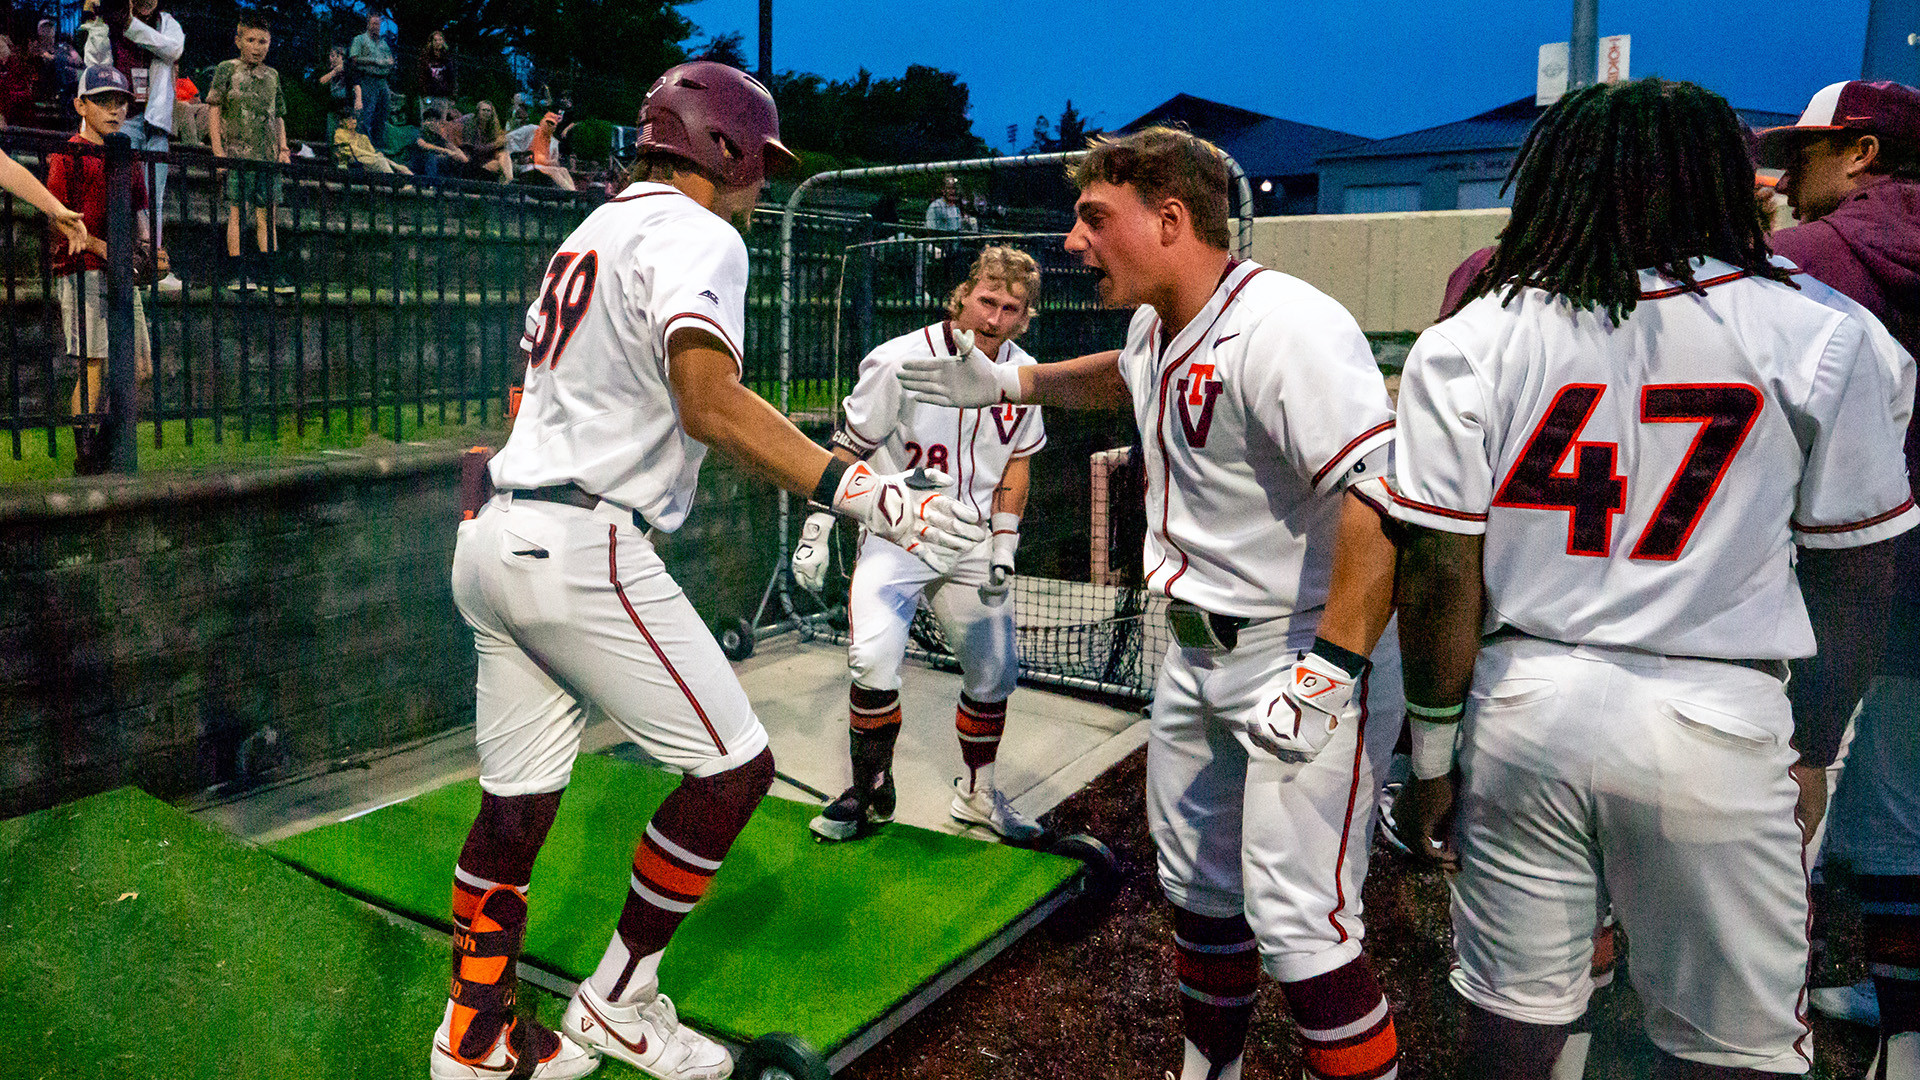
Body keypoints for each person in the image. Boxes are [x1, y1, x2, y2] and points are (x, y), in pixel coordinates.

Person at [433, 61, 987, 1080]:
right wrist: (867, 491)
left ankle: (474, 1034)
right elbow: (709, 400)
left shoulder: (591, 230)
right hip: (583, 542)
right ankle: (617, 1002)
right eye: (759, 161)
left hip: (496, 530)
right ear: (720, 147)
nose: (763, 183)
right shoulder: (699, 233)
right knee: (734, 768)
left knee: (516, 802)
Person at [1389, 78, 1916, 1079]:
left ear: (1555, 177)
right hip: (1716, 707)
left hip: (1527, 700)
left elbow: (1442, 572)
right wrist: (1811, 745)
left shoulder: (1476, 331)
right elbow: (1859, 573)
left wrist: (1431, 752)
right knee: (1732, 1049)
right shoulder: (1826, 331)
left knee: (1511, 1023)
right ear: (1722, 178)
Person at [900, 126, 1405, 1080]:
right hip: (1194, 652)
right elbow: (1126, 376)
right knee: (1201, 896)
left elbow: (1379, 501)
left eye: (1094, 218)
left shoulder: (1289, 325)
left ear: (1169, 219)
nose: (1073, 242)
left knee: (1303, 926)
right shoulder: (1153, 324)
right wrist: (1012, 382)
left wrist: (1333, 665)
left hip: (1295, 649)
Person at [1762, 79, 1920, 1076]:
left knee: (1786, 827)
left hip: (1842, 584)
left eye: (1810, 150)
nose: (1788, 172)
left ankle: (1763, 1032)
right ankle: (1905, 1038)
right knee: (1900, 825)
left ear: (1862, 153)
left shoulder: (1809, 258)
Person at [790, 246, 1049, 844]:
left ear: (1025, 317)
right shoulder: (898, 359)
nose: (995, 319)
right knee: (873, 660)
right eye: (987, 301)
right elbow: (846, 449)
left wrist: (1005, 545)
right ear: (961, 296)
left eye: (1012, 309)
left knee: (994, 671)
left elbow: (1017, 464)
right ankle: (870, 788)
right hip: (896, 532)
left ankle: (978, 794)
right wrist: (818, 526)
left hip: (974, 541)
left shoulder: (1023, 374)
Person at [46, 65, 154, 475]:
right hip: (82, 266)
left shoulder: (125, 154)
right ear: (81, 105)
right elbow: (56, 215)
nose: (115, 109)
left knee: (140, 367)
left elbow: (140, 209)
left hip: (120, 269)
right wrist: (98, 244)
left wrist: (149, 247)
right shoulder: (70, 151)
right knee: (94, 364)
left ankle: (104, 446)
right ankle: (86, 456)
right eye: (104, 101)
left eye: (121, 101)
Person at [81, 0, 181, 292]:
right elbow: (94, 63)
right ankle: (120, 261)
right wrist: (100, 23)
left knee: (154, 197)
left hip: (156, 123)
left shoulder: (167, 23)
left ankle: (153, 266)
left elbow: (172, 49)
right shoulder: (110, 24)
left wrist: (129, 25)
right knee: (120, 193)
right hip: (124, 120)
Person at [207, 14, 290, 295]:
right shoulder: (227, 70)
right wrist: (219, 152)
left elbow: (278, 115)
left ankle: (271, 273)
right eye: (251, 40)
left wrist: (283, 148)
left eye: (263, 41)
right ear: (239, 41)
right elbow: (214, 109)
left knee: (267, 216)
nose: (257, 46)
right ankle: (237, 272)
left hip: (266, 157)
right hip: (237, 155)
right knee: (237, 214)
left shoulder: (272, 76)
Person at [348, 9, 393, 150]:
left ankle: (378, 149)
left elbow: (390, 60)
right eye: (374, 24)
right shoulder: (360, 39)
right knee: (366, 115)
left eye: (378, 24)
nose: (376, 27)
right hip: (367, 80)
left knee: (382, 115)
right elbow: (354, 60)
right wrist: (374, 61)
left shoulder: (383, 44)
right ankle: (363, 150)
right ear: (368, 24)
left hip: (382, 81)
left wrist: (386, 63)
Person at [332, 111, 410, 174]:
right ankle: (395, 183)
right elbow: (353, 150)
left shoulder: (363, 137)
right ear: (341, 122)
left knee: (401, 167)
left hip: (368, 160)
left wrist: (393, 163)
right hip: (355, 160)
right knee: (381, 161)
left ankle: (410, 184)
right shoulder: (339, 134)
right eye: (348, 119)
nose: (352, 121)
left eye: (353, 118)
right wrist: (374, 155)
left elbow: (373, 152)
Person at [523, 110, 574, 190]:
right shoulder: (533, 134)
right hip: (533, 164)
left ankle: (573, 193)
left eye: (552, 124)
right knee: (554, 171)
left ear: (555, 127)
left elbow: (555, 160)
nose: (549, 125)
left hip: (546, 166)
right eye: (548, 122)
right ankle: (570, 191)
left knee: (563, 170)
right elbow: (533, 156)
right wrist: (548, 162)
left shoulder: (554, 142)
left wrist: (553, 162)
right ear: (542, 122)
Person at [461, 100, 511, 182]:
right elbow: (474, 149)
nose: (486, 113)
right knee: (499, 163)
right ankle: (507, 182)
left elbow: (498, 149)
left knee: (503, 154)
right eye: (483, 110)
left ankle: (508, 180)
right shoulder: (471, 127)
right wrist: (495, 144)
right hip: (472, 160)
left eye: (488, 111)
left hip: (487, 159)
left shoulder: (493, 129)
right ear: (478, 112)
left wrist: (502, 143)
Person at [411, 105, 467, 178]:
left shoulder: (437, 136)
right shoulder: (419, 132)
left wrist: (459, 153)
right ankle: (431, 185)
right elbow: (423, 145)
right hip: (420, 163)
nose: (432, 123)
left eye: (435, 121)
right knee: (433, 158)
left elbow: (449, 145)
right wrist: (446, 151)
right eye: (429, 120)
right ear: (423, 122)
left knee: (455, 159)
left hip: (435, 163)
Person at [415, 28, 455, 121]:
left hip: (442, 95)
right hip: (428, 95)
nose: (438, 42)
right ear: (431, 42)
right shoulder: (425, 57)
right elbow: (421, 75)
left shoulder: (447, 57)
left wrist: (452, 95)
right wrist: (424, 93)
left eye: (440, 40)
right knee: (427, 120)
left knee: (442, 123)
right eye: (435, 40)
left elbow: (451, 76)